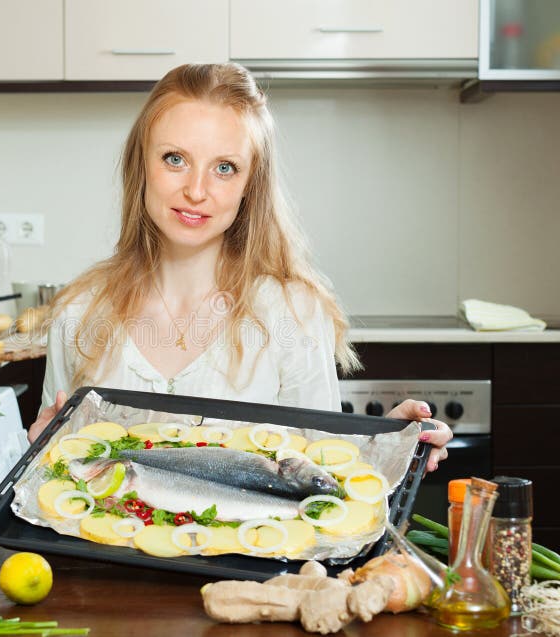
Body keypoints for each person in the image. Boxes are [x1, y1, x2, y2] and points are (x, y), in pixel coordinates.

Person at [28, 62, 452, 472]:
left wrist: (389, 449)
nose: (196, 190)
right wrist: (44, 456)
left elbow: (321, 474)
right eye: (175, 159)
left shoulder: (294, 312)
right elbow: (52, 483)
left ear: (251, 186)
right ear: (141, 165)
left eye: (225, 168)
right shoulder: (79, 311)